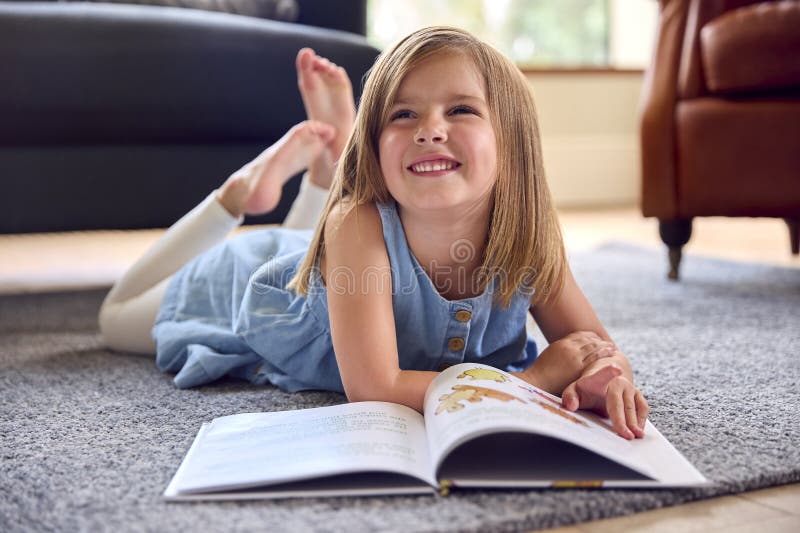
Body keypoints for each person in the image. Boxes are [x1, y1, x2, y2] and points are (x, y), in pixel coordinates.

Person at [99, 28, 649, 440]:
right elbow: (376, 388)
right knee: (115, 319)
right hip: (252, 279)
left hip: (329, 267)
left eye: (460, 109)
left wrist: (605, 376)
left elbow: (601, 350)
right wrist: (532, 382)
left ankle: (320, 170)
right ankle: (237, 196)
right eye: (402, 115)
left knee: (311, 242)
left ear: (514, 144)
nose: (430, 129)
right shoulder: (356, 222)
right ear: (376, 147)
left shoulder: (527, 237)